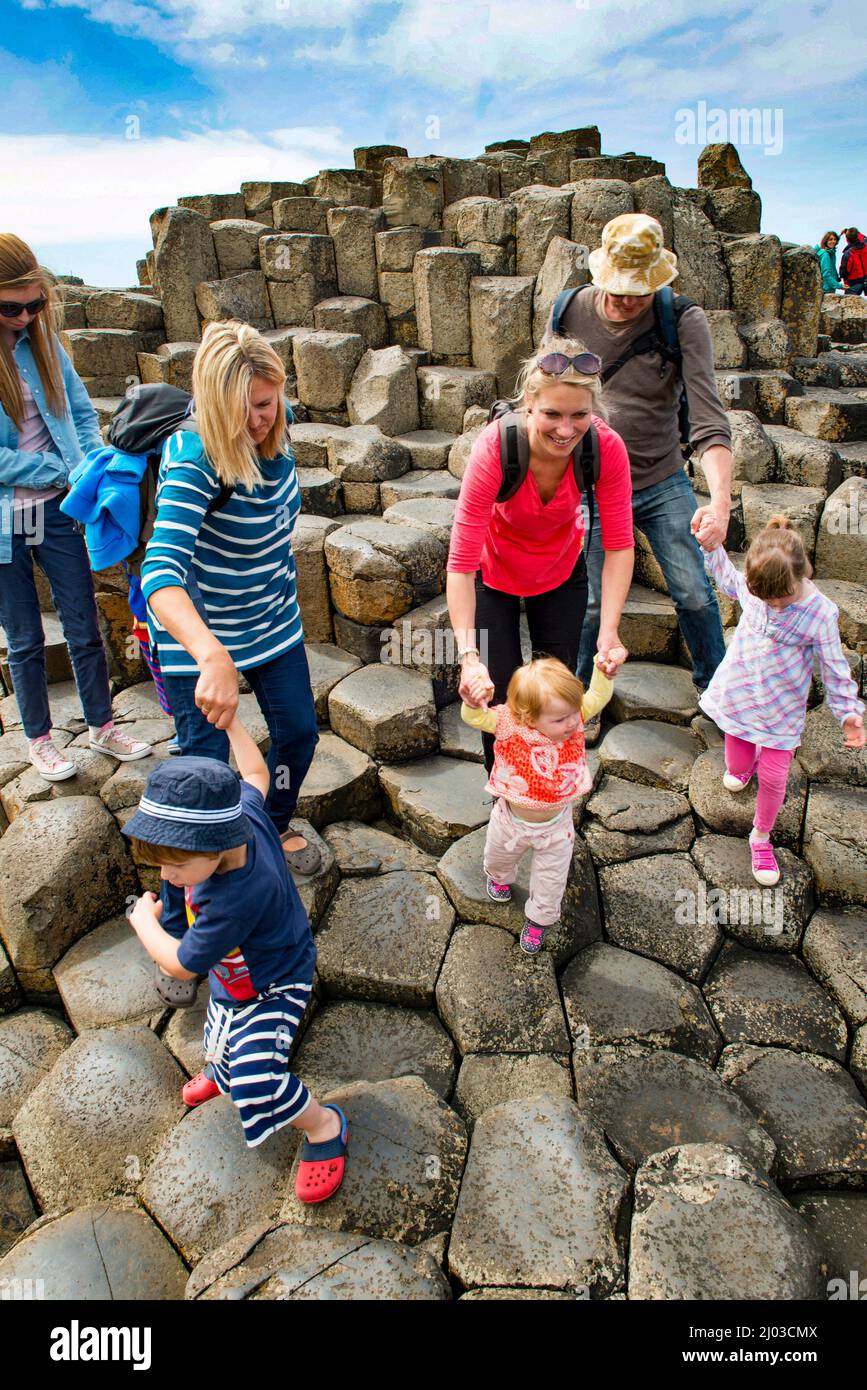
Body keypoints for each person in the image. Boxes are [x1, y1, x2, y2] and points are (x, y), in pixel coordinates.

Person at [124, 714, 348, 1204]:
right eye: (160, 863)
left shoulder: (232, 899)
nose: (168, 876)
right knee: (219, 1031)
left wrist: (145, 924)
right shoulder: (242, 816)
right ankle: (221, 1069)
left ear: (216, 846)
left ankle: (324, 1125)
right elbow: (256, 776)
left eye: (177, 864)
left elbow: (182, 964)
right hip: (239, 975)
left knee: (257, 1080)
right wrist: (231, 726)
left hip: (276, 979)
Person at [140, 320, 320, 874]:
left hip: (269, 617)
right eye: (242, 409)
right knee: (206, 768)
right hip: (200, 633)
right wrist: (209, 653)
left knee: (298, 733)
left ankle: (273, 818)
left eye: (266, 403)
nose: (258, 421)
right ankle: (200, 877)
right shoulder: (196, 460)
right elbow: (159, 571)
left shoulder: (277, 426)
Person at [549, 213, 733, 737]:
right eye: (617, 291)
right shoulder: (568, 311)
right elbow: (545, 395)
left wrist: (719, 503)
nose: (627, 301)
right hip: (590, 482)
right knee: (587, 602)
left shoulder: (682, 320)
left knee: (695, 592)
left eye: (639, 292)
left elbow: (709, 418)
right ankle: (578, 704)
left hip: (661, 479)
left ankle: (717, 691)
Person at [0, 234, 150, 780]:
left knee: (83, 624)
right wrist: (57, 471)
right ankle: (39, 739)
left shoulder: (44, 344)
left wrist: (90, 467)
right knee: (24, 637)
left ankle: (101, 726)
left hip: (59, 510)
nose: (25, 316)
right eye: (11, 307)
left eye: (34, 305)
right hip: (6, 520)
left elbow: (81, 413)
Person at [446, 339, 634, 771]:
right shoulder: (496, 449)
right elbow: (460, 562)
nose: (566, 430)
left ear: (594, 410)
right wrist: (468, 656)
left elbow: (620, 545)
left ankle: (552, 789)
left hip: (561, 572)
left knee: (557, 695)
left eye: (579, 415)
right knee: (496, 693)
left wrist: (609, 632)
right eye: (552, 414)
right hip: (493, 575)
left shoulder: (604, 449)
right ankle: (507, 799)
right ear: (529, 404)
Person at [697, 517, 865, 886]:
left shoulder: (820, 613)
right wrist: (711, 547)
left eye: (781, 597)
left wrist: (849, 712)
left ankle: (760, 837)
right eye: (764, 597)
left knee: (774, 778)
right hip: (740, 694)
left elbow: (835, 669)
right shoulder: (755, 587)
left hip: (781, 710)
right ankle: (744, 766)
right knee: (736, 765)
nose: (773, 604)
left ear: (804, 574)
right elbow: (726, 578)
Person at [462, 655, 613, 954]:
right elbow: (476, 719)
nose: (573, 722)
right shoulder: (508, 723)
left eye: (574, 713)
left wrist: (602, 669)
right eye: (560, 719)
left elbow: (597, 695)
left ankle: (538, 920)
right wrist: (471, 701)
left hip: (556, 827)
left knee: (551, 879)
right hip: (509, 819)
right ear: (528, 717)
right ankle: (500, 878)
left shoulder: (574, 718)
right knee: (498, 858)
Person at [840, 228, 867, 296]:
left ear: (848, 239)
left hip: (854, 282)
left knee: (848, 302)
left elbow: (843, 273)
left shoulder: (848, 254)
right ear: (857, 235)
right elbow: (864, 238)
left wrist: (846, 284)